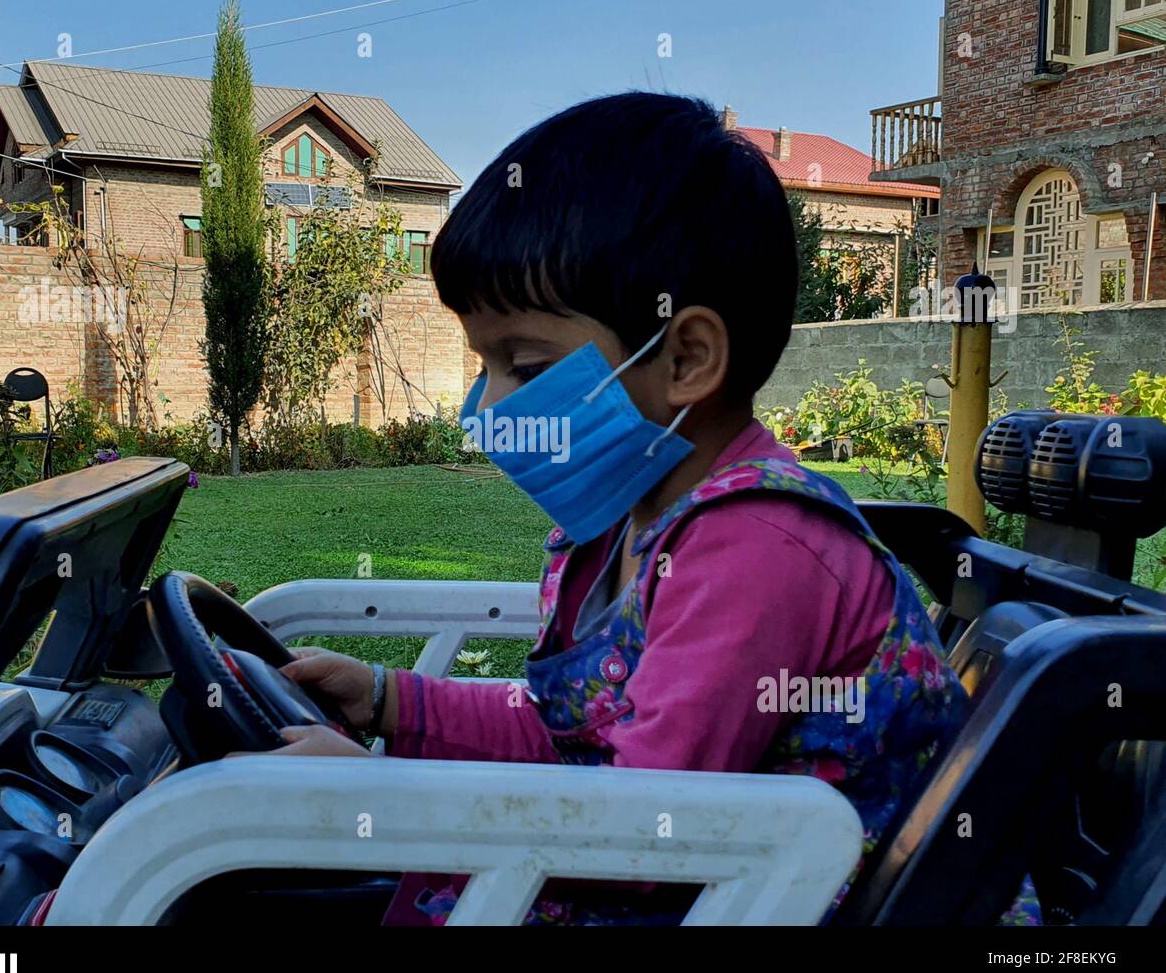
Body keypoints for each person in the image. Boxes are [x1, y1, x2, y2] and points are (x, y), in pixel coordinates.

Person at [267, 92, 967, 925]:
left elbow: (640, 831)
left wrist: (384, 794)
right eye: (485, 364)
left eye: (523, 364)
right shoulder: (622, 523)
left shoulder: (756, 548)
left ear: (686, 357)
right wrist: (389, 699)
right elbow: (567, 738)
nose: (487, 404)